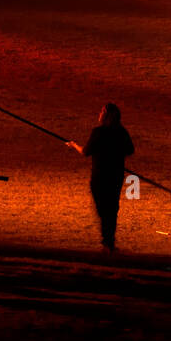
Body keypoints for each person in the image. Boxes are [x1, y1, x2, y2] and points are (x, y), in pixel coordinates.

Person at [67, 103, 134, 253]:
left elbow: (85, 152)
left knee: (103, 209)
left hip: (100, 177)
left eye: (102, 111)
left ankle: (107, 242)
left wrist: (73, 145)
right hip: (115, 176)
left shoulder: (98, 132)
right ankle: (109, 242)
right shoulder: (121, 132)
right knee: (112, 208)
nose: (99, 114)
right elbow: (130, 150)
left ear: (106, 115)